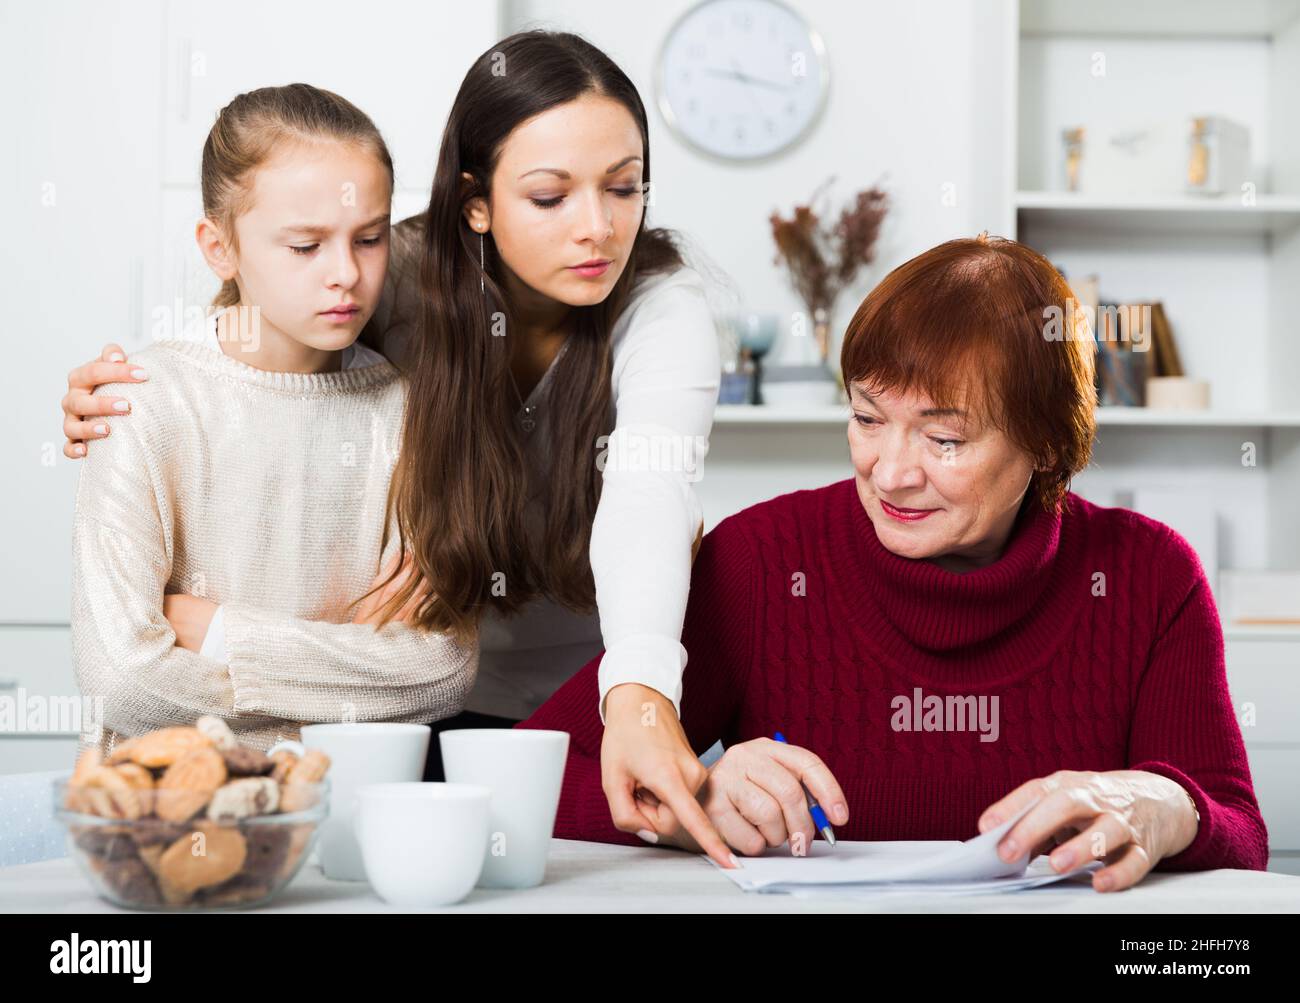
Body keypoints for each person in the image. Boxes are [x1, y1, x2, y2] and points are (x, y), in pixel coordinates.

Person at [59, 32, 733, 867]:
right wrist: (134, 386)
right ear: (474, 201)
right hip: (390, 728)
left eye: (625, 187)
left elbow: (646, 500)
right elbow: (258, 339)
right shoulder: (393, 276)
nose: (598, 227)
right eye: (550, 196)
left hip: (579, 703)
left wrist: (638, 694)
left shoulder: (659, 311)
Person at [518, 234, 1269, 892]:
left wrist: (1167, 807)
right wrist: (695, 800)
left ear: (1047, 443)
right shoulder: (760, 562)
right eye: (868, 418)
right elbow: (527, 775)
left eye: (944, 440)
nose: (890, 473)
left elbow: (1237, 828)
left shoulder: (1150, 575)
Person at [70, 84, 477, 757]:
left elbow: (442, 672)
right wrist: (343, 688)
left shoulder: (404, 410)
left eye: (370, 238)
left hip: (350, 818)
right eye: (304, 246)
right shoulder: (139, 403)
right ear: (219, 247)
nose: (345, 273)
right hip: (171, 824)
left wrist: (221, 635)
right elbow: (122, 682)